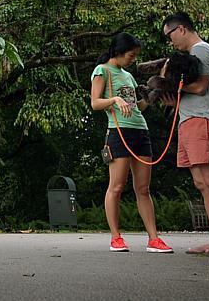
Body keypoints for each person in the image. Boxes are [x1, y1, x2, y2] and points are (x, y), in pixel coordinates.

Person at [89, 32, 173, 254]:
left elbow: (138, 106)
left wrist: (154, 95)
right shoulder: (102, 71)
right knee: (116, 187)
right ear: (118, 52)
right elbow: (95, 103)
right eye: (131, 55)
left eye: (135, 55)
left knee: (143, 188)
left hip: (140, 131)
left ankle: (154, 239)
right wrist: (115, 99)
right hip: (118, 131)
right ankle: (116, 237)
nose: (133, 59)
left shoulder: (128, 76)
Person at [163, 12, 209, 255]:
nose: (171, 41)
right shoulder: (193, 54)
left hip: (204, 119)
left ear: (181, 29)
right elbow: (189, 92)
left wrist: (169, 84)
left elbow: (201, 86)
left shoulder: (201, 50)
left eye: (170, 35)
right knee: (202, 183)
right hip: (189, 119)